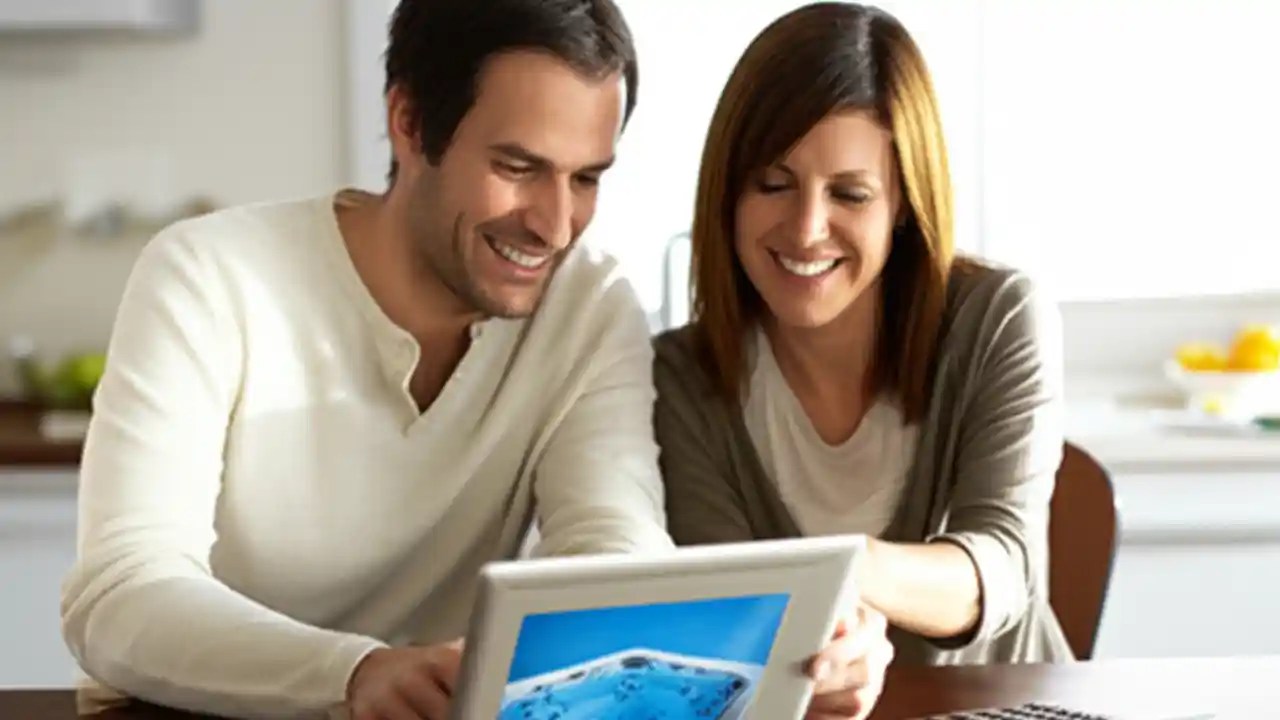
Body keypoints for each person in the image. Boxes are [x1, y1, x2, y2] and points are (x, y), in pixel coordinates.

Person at [60, 1, 676, 718]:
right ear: (409, 122)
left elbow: (616, 546)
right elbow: (120, 593)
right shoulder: (209, 276)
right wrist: (353, 672)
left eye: (587, 178)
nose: (555, 224)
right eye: (517, 167)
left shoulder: (589, 306)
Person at [654, 2, 1074, 717]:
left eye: (849, 193)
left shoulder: (998, 318)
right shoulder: (679, 379)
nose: (806, 229)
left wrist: (850, 570)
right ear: (728, 192)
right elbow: (732, 617)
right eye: (773, 184)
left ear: (903, 202)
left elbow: (1005, 566)